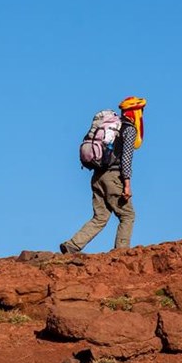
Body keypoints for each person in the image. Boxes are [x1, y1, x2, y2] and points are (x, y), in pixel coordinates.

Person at [61, 96, 146, 254]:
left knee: (100, 217)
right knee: (127, 215)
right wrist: (127, 185)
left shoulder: (112, 127)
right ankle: (121, 253)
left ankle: (72, 245)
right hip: (113, 177)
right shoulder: (128, 129)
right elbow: (126, 159)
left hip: (97, 176)